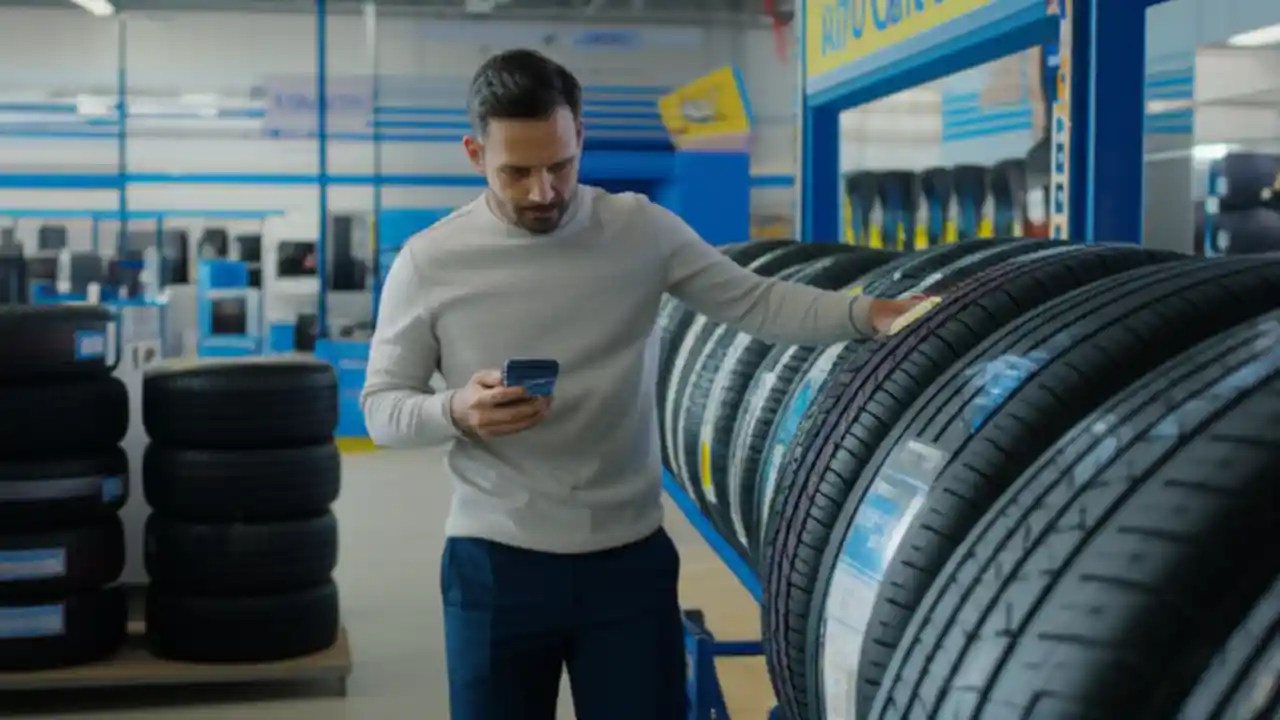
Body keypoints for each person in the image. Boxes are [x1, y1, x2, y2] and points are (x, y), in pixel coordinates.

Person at [361, 48, 930, 720]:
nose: (544, 191)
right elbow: (382, 408)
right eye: (517, 172)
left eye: (561, 165)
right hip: (495, 564)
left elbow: (757, 302)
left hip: (625, 564)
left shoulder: (637, 230)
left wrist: (873, 313)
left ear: (581, 140)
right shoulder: (431, 261)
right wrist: (458, 410)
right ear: (473, 153)